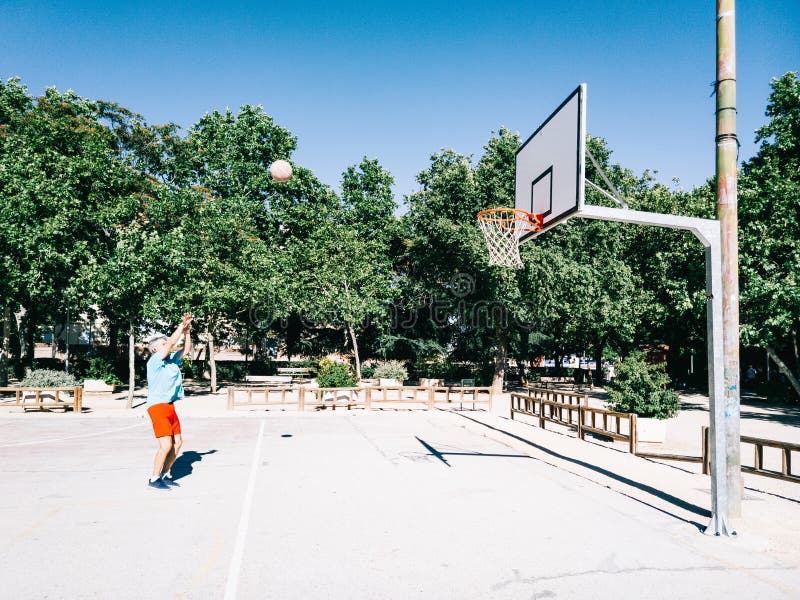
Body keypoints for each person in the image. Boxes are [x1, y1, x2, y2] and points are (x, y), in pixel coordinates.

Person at [145, 313, 193, 490]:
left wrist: (187, 331)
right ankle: (154, 478)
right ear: (156, 349)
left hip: (170, 406)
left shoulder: (171, 361)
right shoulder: (154, 362)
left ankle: (165, 474)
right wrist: (181, 326)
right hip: (157, 407)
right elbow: (173, 342)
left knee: (178, 443)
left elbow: (186, 350)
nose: (168, 344)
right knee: (165, 445)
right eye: (163, 344)